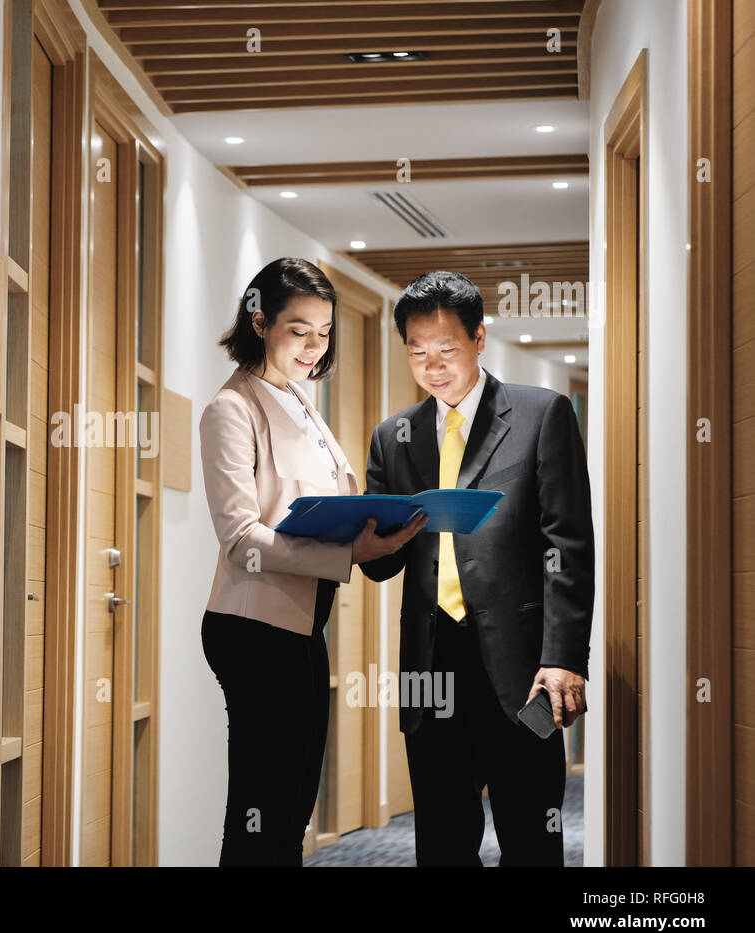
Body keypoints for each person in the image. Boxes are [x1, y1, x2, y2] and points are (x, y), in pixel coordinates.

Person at [359, 270, 594, 866]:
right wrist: (364, 541)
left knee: (531, 835)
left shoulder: (541, 414)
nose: (432, 366)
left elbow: (566, 542)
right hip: (430, 665)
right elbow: (383, 570)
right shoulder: (394, 438)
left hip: (521, 666)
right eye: (417, 351)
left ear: (479, 338)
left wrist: (564, 657)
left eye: (447, 349)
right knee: (440, 840)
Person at [199, 257, 427, 866]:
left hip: (300, 626)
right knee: (261, 806)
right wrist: (346, 550)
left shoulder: (300, 402)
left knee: (291, 804)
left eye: (324, 332)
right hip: (252, 627)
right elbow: (241, 537)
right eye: (298, 329)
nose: (313, 345)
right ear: (259, 320)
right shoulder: (233, 408)